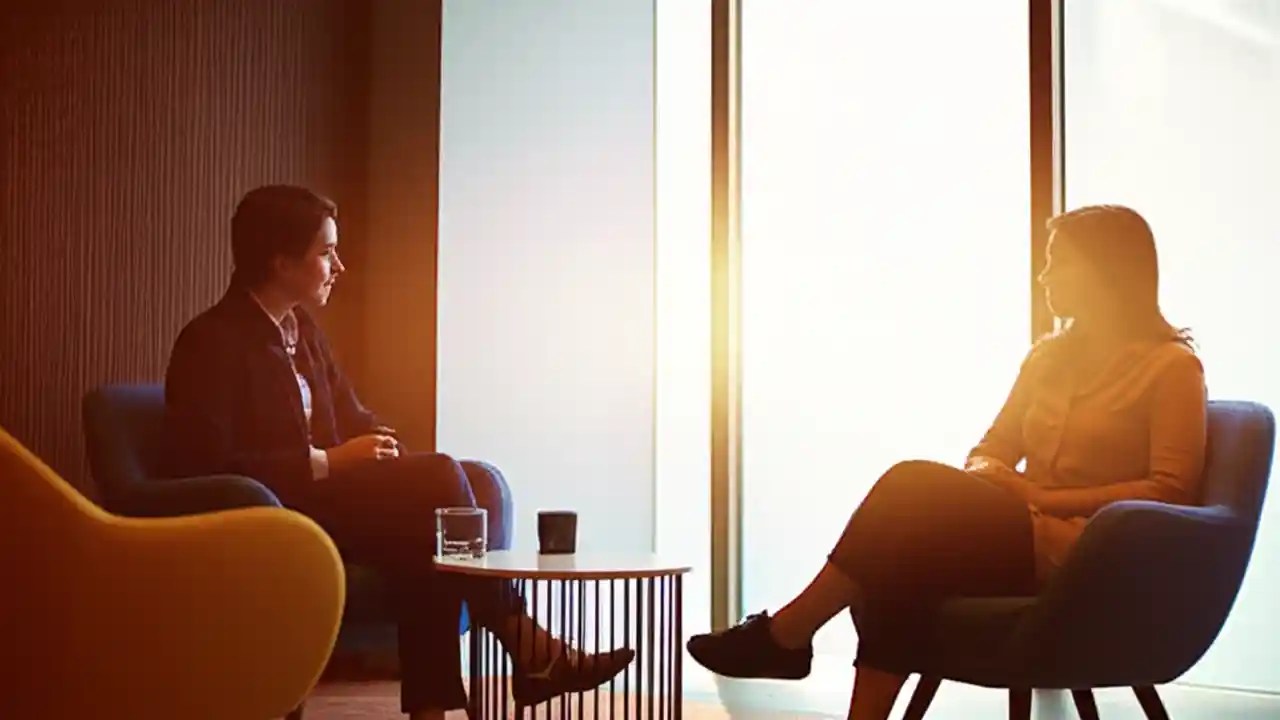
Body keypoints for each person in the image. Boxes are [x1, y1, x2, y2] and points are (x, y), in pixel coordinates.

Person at [687, 205, 1208, 720]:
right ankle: (813, 665)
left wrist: (1042, 497)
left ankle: (787, 634)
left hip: (1088, 558)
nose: (1044, 275)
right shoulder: (1047, 360)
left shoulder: (1172, 368)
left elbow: (1171, 490)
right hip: (1017, 534)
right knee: (901, 558)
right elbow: (992, 447)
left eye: (1059, 262)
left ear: (1105, 272)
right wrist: (990, 478)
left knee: (910, 485)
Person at [163, 185, 633, 719]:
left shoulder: (303, 331)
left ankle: (438, 706)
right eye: (325, 252)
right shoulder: (211, 341)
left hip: (331, 501)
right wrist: (329, 462)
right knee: (437, 484)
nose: (338, 265)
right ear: (279, 261)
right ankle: (525, 644)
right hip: (274, 512)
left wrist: (386, 450)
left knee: (469, 482)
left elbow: (354, 416)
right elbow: (203, 464)